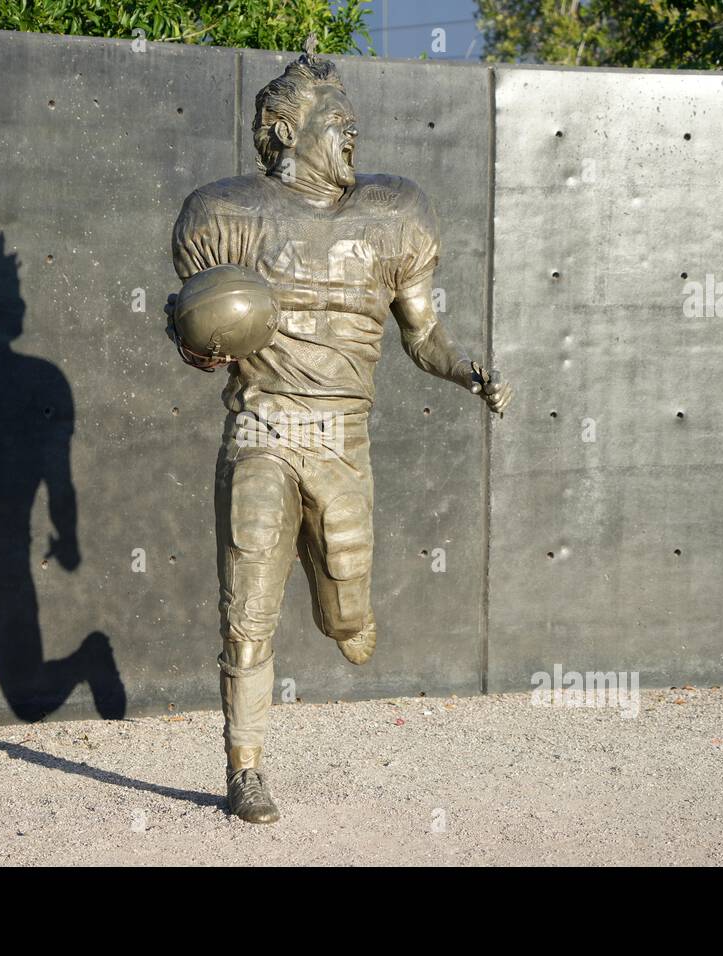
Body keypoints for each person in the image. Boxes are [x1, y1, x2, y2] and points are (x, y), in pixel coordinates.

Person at [169, 45, 512, 824]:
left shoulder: (394, 213)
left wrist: (466, 370)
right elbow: (191, 326)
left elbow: (421, 334)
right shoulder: (225, 215)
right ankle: (245, 767)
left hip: (342, 436)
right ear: (286, 129)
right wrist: (197, 346)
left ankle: (344, 605)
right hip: (262, 424)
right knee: (247, 602)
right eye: (334, 115)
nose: (351, 124)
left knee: (348, 616)